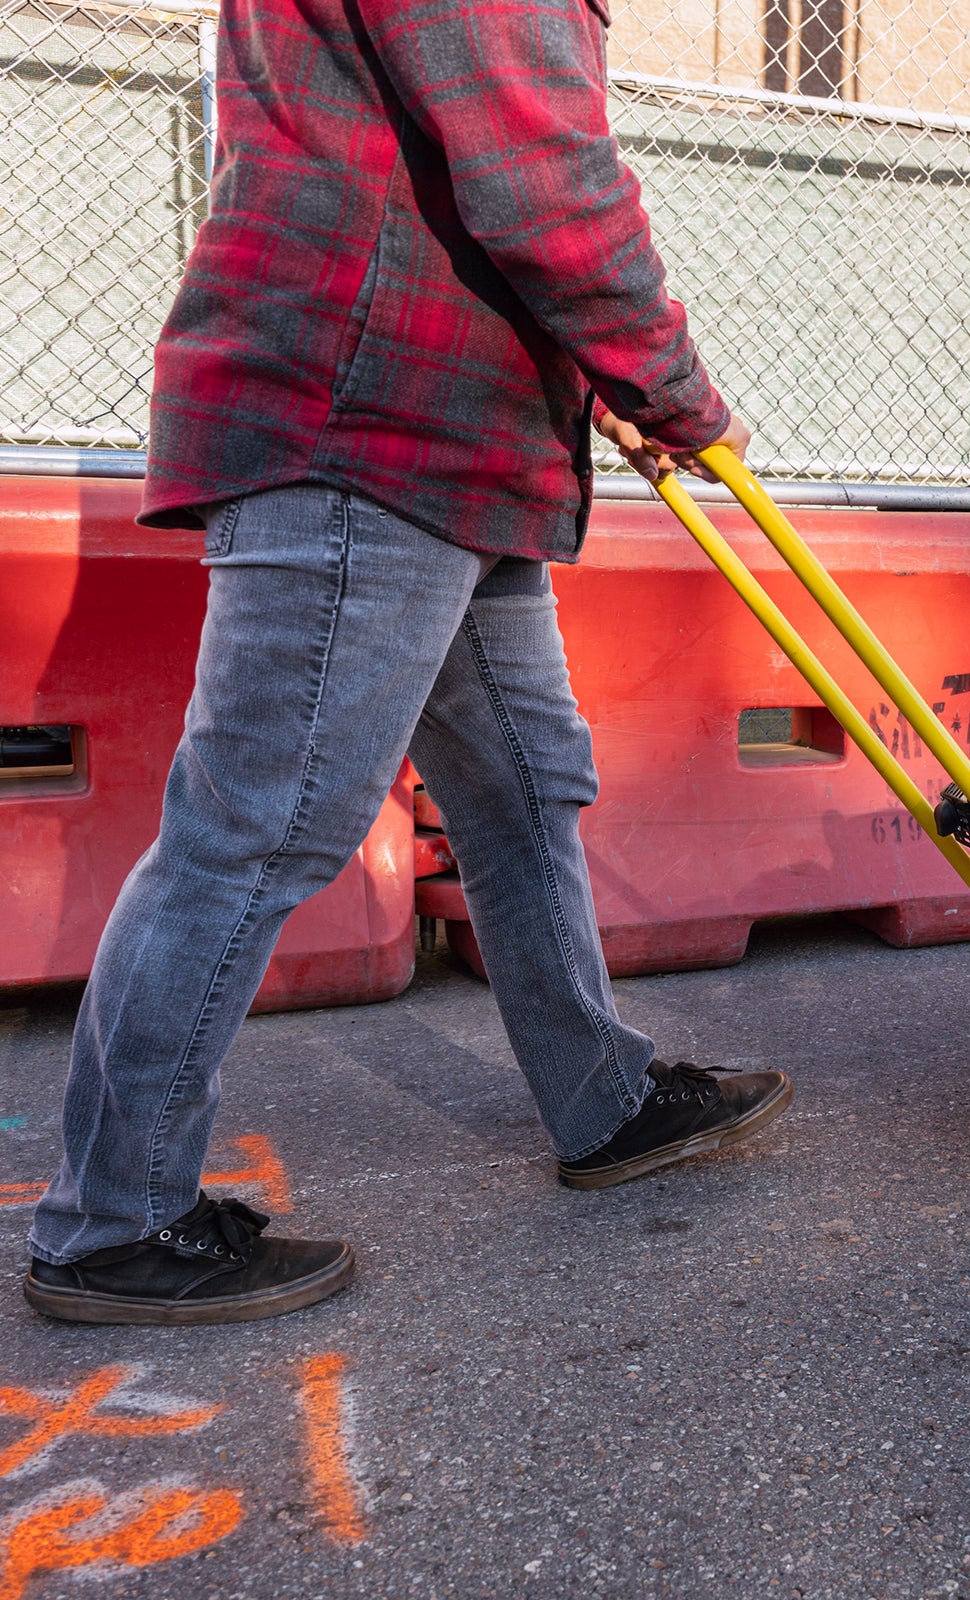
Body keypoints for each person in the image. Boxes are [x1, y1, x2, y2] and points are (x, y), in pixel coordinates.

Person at [24, 0, 791, 1327]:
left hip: (455, 439)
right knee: (253, 832)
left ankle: (602, 1103)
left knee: (522, 788)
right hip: (368, 423)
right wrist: (673, 391)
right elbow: (543, 175)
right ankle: (114, 1225)